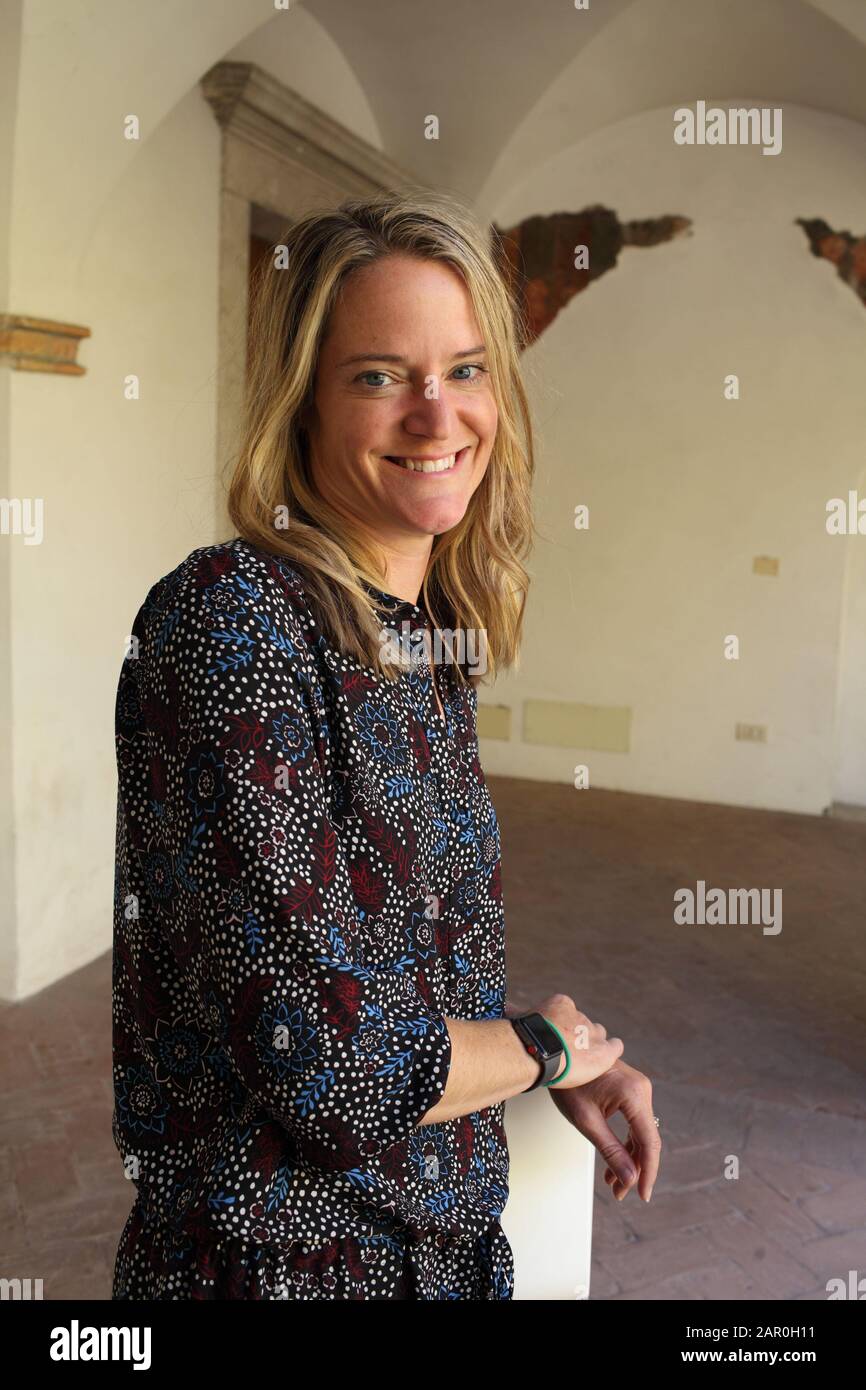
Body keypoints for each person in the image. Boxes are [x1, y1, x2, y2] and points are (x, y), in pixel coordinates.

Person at [110, 189, 659, 1301]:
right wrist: (539, 1045)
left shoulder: (421, 644)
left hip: (439, 1256)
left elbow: (396, 984)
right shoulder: (236, 619)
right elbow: (337, 1067)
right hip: (278, 1270)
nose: (434, 414)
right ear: (301, 401)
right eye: (376, 375)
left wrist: (548, 1060)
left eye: (464, 369)